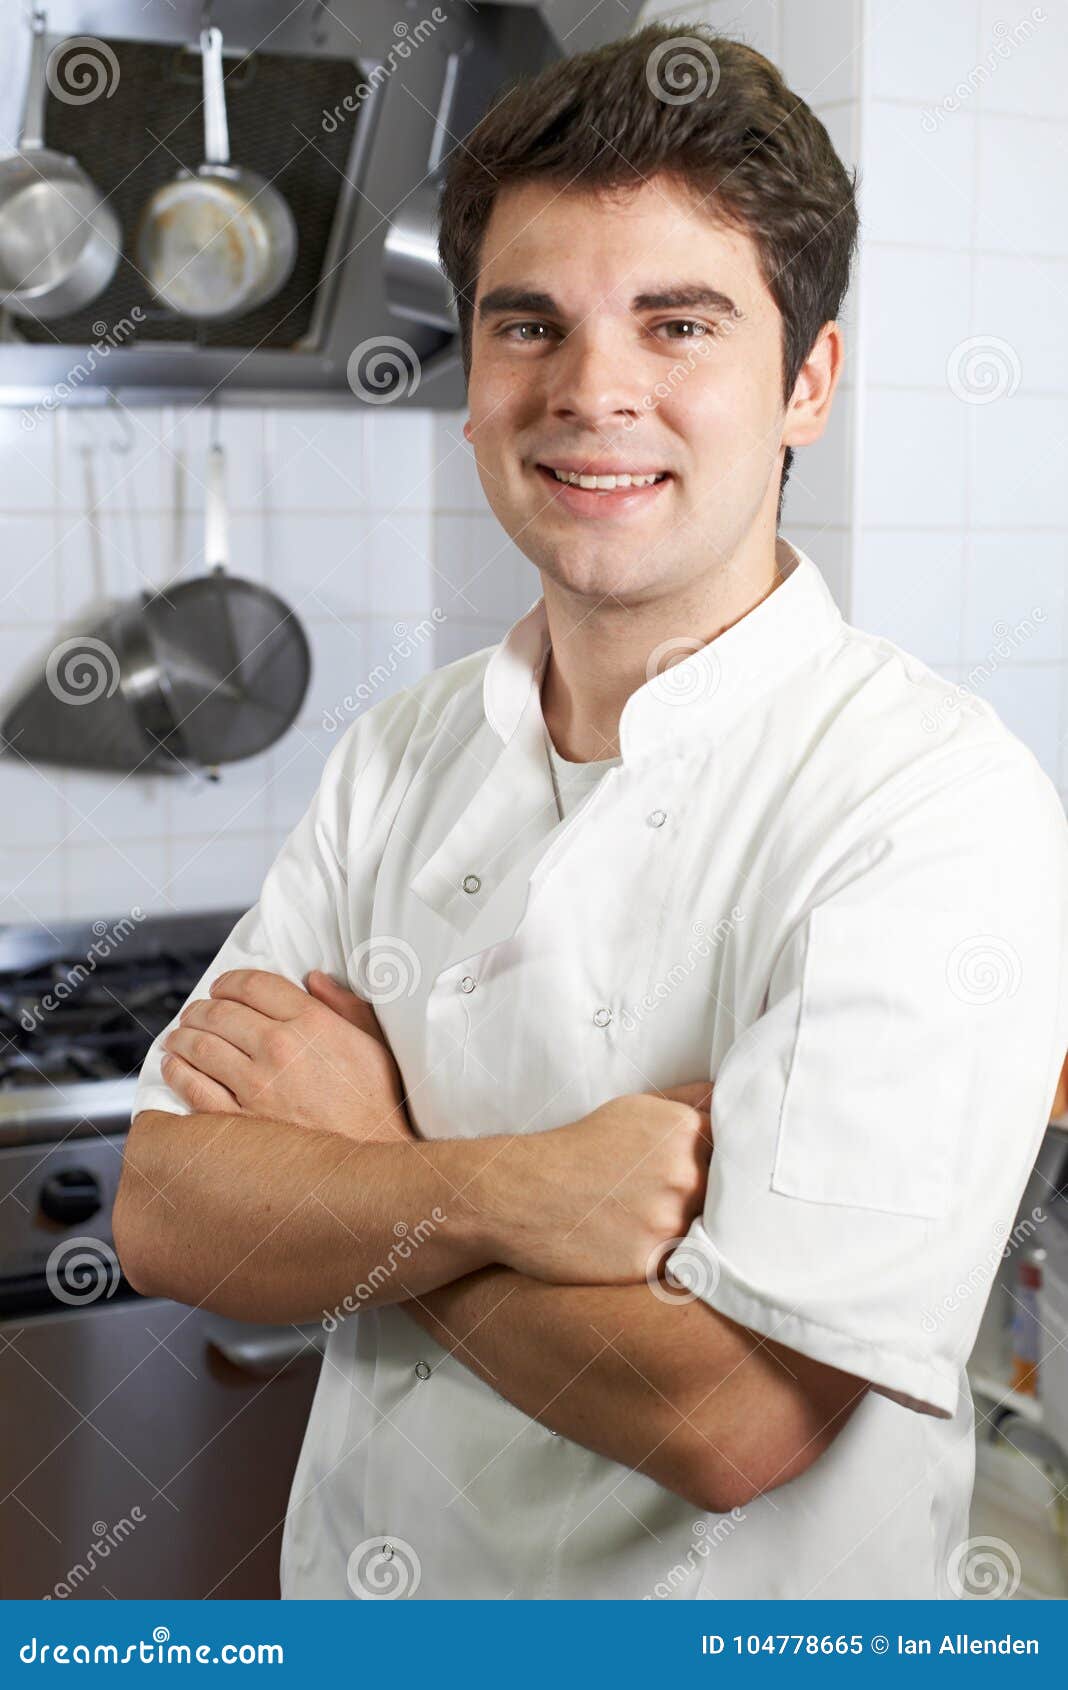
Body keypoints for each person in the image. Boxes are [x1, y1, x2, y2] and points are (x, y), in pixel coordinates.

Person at [115, 23, 1068, 1600]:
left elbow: (730, 1412)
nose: (589, 391)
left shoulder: (927, 802)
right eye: (528, 324)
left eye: (679, 323)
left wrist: (365, 1162)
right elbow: (164, 1209)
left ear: (807, 381)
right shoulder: (399, 754)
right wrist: (503, 1191)